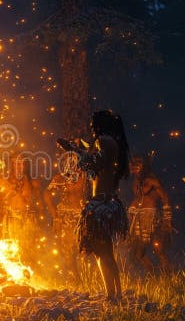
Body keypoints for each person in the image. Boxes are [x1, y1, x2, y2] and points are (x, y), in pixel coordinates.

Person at [57, 110, 129, 300]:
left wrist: (73, 151)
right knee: (105, 252)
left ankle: (113, 296)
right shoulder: (113, 142)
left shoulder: (103, 141)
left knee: (102, 252)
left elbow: (92, 165)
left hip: (101, 205)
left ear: (99, 125)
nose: (91, 128)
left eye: (92, 124)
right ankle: (115, 294)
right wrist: (77, 150)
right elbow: (95, 163)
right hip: (108, 202)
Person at [126, 153, 172, 273]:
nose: (134, 166)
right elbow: (138, 198)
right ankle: (151, 272)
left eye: (138, 163)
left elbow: (165, 198)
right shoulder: (135, 181)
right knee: (138, 252)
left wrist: (167, 219)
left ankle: (167, 273)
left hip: (151, 217)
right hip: (138, 218)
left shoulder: (152, 180)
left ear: (144, 165)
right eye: (133, 163)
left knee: (158, 248)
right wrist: (131, 209)